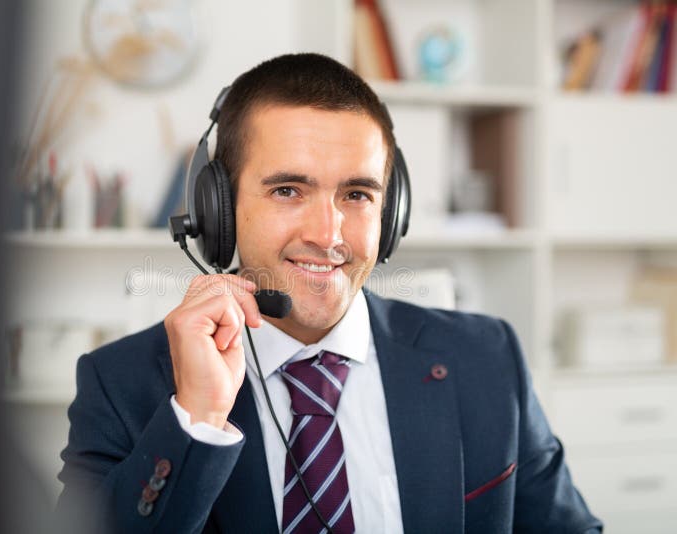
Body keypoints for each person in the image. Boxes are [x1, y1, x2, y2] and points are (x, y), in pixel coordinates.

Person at [56, 53, 602, 533]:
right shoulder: (120, 383)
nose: (328, 234)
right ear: (216, 211)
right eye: (287, 190)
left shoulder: (486, 359)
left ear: (392, 215)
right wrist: (197, 420)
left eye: (357, 193)